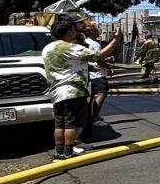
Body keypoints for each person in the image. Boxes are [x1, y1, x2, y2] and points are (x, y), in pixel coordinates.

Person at [42, 15, 119, 160]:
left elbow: (67, 66)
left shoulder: (47, 48)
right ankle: (69, 152)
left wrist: (88, 68)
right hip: (73, 91)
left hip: (56, 92)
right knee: (72, 124)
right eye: (72, 30)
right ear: (68, 32)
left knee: (60, 124)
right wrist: (115, 40)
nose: (75, 32)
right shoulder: (70, 47)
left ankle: (58, 152)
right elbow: (98, 55)